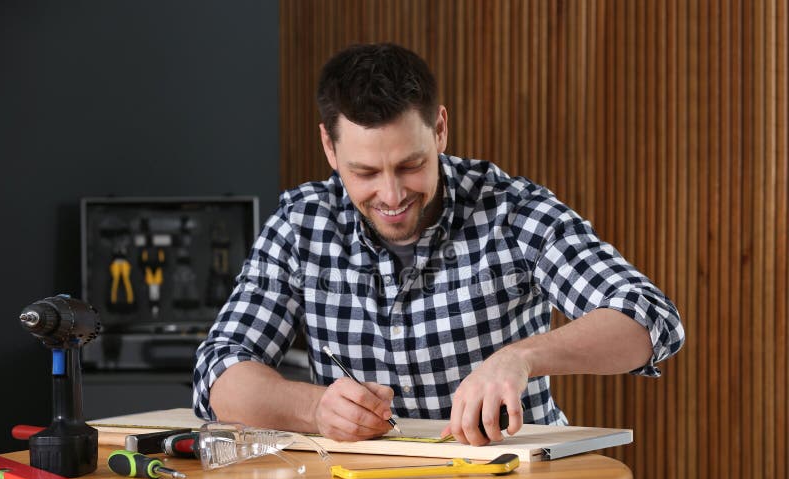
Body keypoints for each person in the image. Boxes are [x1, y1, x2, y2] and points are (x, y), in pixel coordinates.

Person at [193, 43, 685, 446]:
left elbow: (649, 319)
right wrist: (315, 408)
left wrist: (519, 358)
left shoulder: (512, 211)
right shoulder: (301, 222)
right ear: (329, 147)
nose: (391, 195)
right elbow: (220, 371)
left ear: (440, 129)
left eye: (410, 165)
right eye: (364, 172)